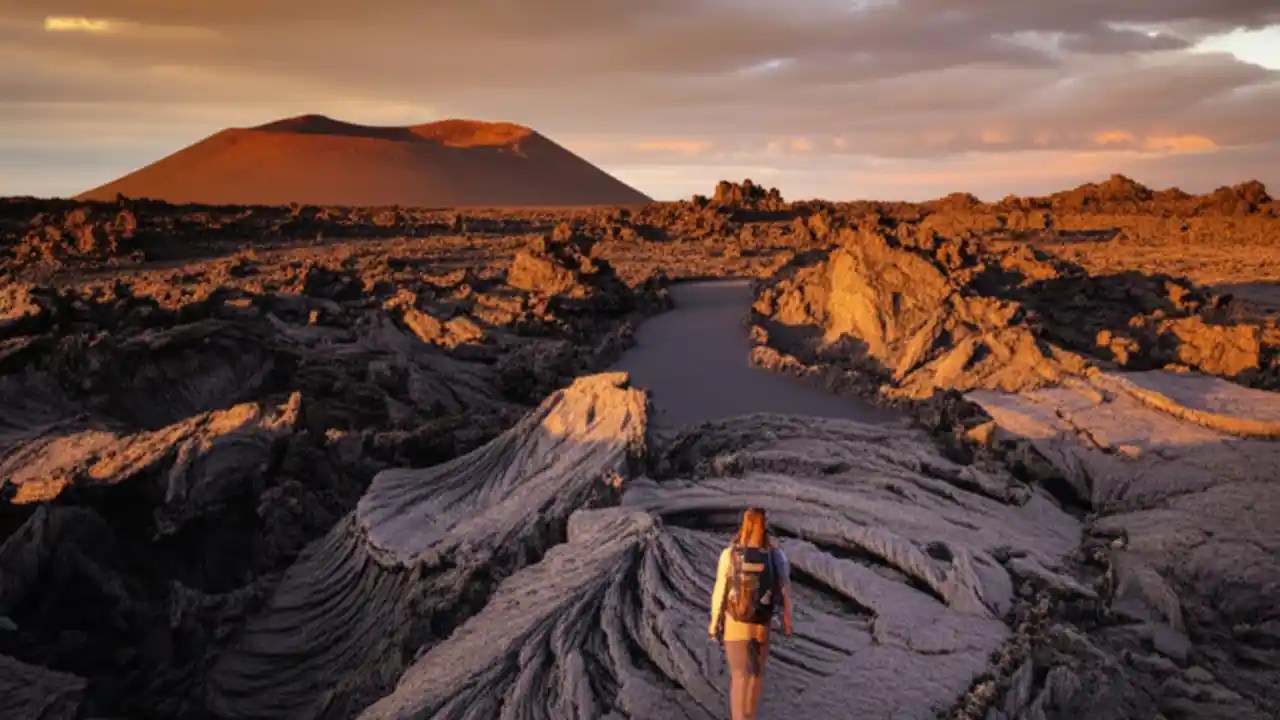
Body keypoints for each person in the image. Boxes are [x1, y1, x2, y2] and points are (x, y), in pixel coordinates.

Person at [708, 508, 792, 720]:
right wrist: (787, 621)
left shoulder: (730, 554)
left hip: (736, 626)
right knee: (755, 678)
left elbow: (720, 591)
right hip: (761, 627)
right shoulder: (776, 555)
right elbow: (784, 589)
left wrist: (714, 623)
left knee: (739, 679)